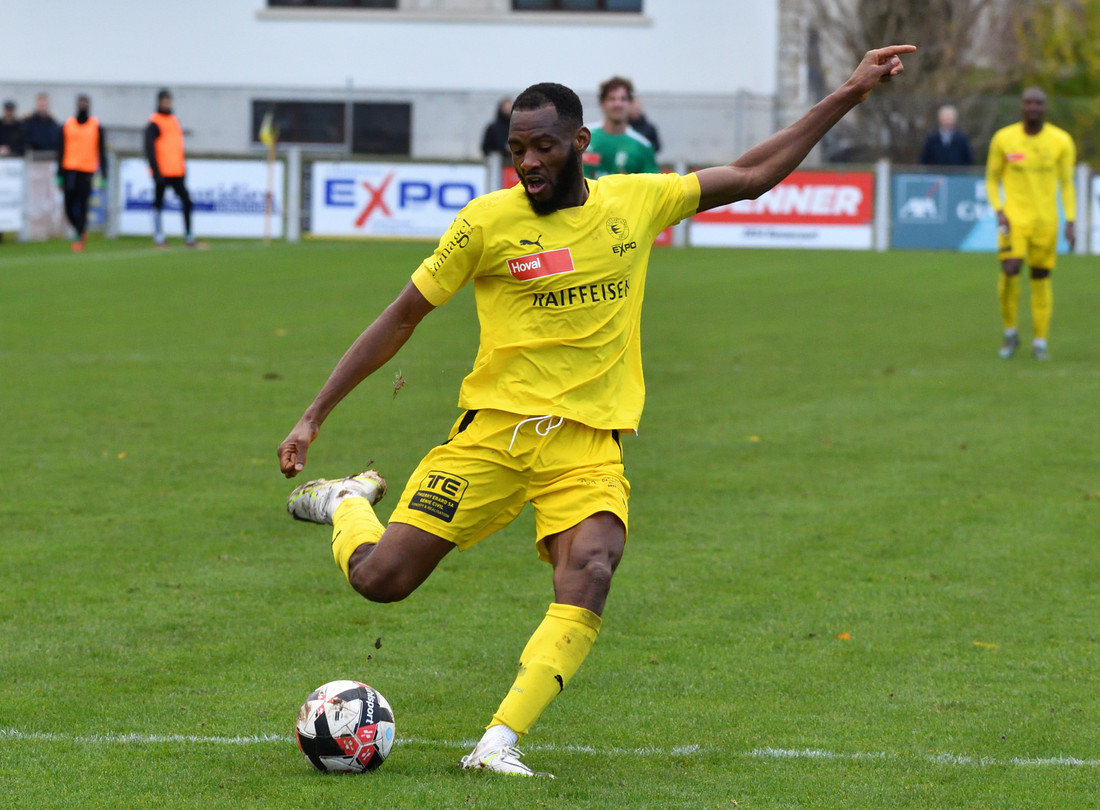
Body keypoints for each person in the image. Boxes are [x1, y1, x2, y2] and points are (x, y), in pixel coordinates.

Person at [277, 43, 915, 778]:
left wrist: (848, 93)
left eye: (543, 146)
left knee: (593, 568)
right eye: (516, 149)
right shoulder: (485, 223)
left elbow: (751, 174)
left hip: (584, 447)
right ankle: (348, 501)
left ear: (580, 142)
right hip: (492, 437)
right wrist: (314, 413)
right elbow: (400, 316)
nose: (528, 163)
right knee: (380, 581)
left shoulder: (633, 201)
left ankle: (497, 743)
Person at [985, 88, 1076, 361]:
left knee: (1040, 277)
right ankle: (1011, 332)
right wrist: (999, 210)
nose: (1033, 107)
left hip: (1046, 221)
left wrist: (1070, 219)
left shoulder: (1061, 141)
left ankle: (1040, 341)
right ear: (1021, 107)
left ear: (1045, 108)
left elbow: (1067, 184)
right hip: (1014, 220)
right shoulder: (1004, 138)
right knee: (1010, 269)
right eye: (1028, 102)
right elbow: (991, 178)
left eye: (1038, 103)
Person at [144, 89, 197, 247]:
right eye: (164, 101)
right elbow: (149, 148)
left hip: (177, 170)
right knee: (158, 203)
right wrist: (155, 170)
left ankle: (188, 236)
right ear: (159, 103)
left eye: (169, 101)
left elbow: (178, 147)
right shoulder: (154, 122)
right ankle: (159, 236)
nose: (167, 104)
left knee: (187, 201)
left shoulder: (174, 121)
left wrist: (183, 167)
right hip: (162, 171)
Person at [58, 94, 107, 253]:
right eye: (81, 103)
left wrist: (104, 174)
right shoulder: (68, 125)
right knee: (68, 205)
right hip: (69, 169)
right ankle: (79, 229)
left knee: (83, 204)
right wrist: (59, 174)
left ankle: (79, 235)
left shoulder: (96, 126)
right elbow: (61, 150)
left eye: (85, 103)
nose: (83, 106)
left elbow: (102, 152)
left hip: (86, 171)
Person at [583, 76, 658, 179]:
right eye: (612, 99)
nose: (617, 104)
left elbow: (653, 185)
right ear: (602, 103)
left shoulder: (643, 146)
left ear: (630, 103)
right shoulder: (584, 136)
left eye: (623, 99)